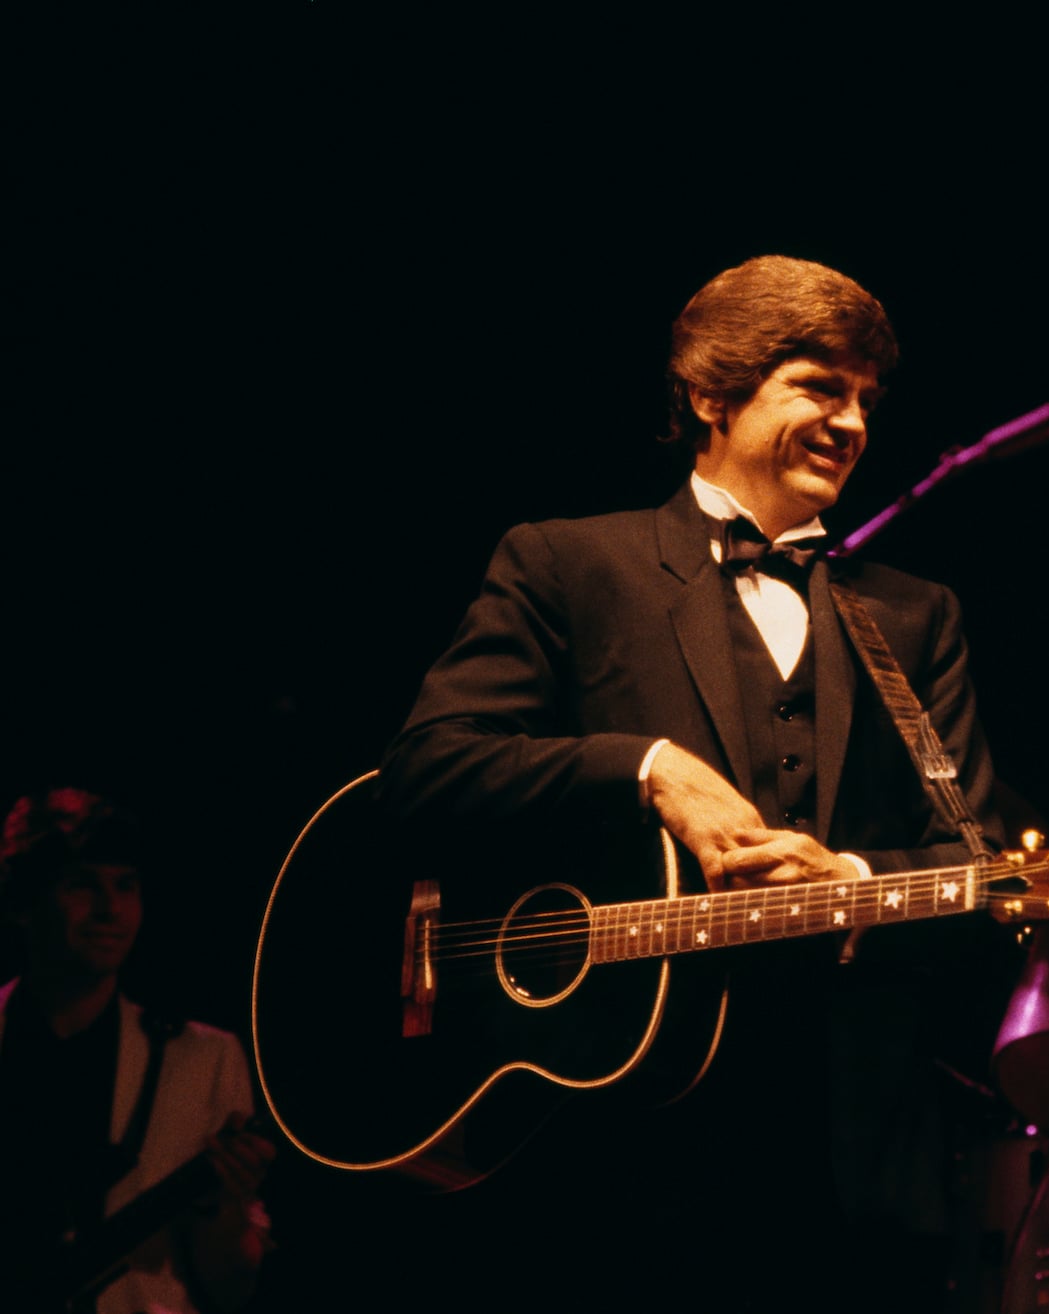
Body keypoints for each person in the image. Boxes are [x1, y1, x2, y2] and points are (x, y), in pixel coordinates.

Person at [365, 254, 1010, 1310]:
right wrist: (647, 769)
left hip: (853, 1164)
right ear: (713, 391)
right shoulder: (569, 564)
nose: (851, 422)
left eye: (864, 399)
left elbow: (981, 867)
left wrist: (845, 882)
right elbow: (427, 767)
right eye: (819, 385)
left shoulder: (911, 613)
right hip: (615, 1159)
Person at [0, 785, 275, 1314]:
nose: (110, 909)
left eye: (126, 885)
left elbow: (230, 1288)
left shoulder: (202, 1058)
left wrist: (232, 1204)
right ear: (23, 902)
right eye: (81, 885)